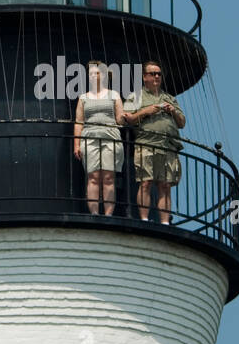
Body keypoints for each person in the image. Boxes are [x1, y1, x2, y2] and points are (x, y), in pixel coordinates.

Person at [122, 61, 185, 224]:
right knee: (145, 182)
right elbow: (125, 118)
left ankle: (164, 222)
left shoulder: (169, 98)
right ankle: (143, 219)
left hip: (168, 146)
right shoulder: (134, 96)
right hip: (146, 144)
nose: (156, 76)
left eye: (158, 73)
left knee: (165, 185)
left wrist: (173, 112)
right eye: (152, 73)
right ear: (144, 77)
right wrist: (146, 111)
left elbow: (182, 122)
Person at [73, 61, 126, 215]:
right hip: (89, 137)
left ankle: (108, 214)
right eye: (90, 74)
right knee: (93, 177)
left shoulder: (114, 95)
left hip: (111, 137)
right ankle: (95, 214)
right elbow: (78, 122)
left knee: (109, 177)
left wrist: (125, 116)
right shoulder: (83, 97)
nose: (92, 76)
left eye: (95, 73)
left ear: (103, 75)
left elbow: (119, 119)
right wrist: (76, 144)